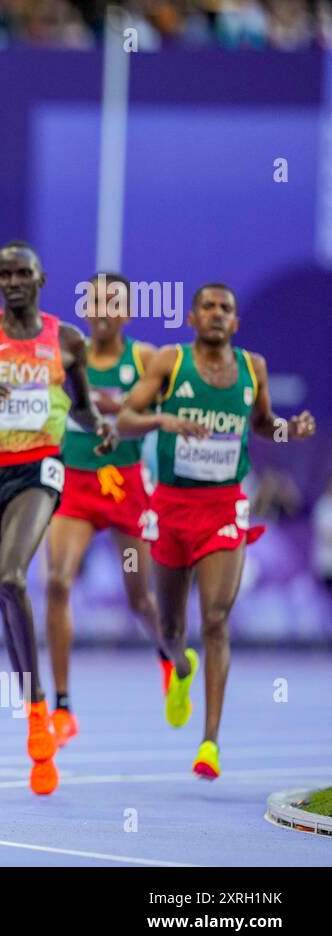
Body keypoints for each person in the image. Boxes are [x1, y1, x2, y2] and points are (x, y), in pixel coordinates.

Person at [0, 242, 114, 795]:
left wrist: (100, 423)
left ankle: (40, 715)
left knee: (13, 577)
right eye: (2, 272)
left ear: (41, 278)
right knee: (4, 599)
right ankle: (35, 710)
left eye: (22, 273)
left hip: (39, 469)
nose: (12, 281)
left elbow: (79, 407)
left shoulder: (68, 341)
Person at [116, 283, 316, 778]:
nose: (217, 314)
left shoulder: (253, 368)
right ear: (192, 317)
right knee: (169, 628)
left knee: (215, 621)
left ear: (236, 323)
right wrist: (166, 419)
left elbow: (266, 424)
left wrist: (293, 430)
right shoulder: (168, 361)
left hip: (225, 508)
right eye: (208, 306)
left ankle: (209, 744)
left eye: (226, 308)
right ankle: (179, 667)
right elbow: (123, 418)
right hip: (171, 507)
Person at [45, 271, 167, 747]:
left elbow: (151, 416)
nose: (103, 311)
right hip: (74, 485)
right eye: (95, 302)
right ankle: (62, 706)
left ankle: (167, 653)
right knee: (58, 582)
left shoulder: (145, 358)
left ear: (128, 313)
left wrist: (118, 410)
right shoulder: (63, 355)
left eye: (113, 304)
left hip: (123, 486)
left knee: (140, 599)